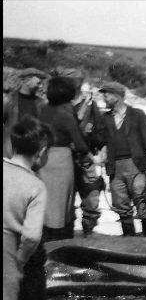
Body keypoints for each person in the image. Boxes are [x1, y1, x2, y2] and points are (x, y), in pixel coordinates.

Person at [3, 117, 50, 300]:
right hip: (9, 247)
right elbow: (32, 236)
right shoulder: (35, 186)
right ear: (41, 152)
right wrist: (20, 260)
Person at [99, 81, 146, 237]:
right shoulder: (104, 118)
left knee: (142, 201)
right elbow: (98, 139)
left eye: (106, 95)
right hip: (115, 167)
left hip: (136, 165)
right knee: (120, 204)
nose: (104, 98)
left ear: (116, 96)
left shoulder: (138, 115)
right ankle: (129, 240)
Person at [53, 67, 106, 237]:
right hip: (62, 158)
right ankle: (64, 235)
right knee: (62, 200)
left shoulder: (89, 104)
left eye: (77, 82)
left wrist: (102, 152)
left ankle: (88, 233)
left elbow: (99, 130)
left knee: (91, 199)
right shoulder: (56, 103)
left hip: (86, 158)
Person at [38, 76, 91, 241]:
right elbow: (80, 144)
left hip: (43, 156)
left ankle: (43, 235)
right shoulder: (66, 115)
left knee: (45, 201)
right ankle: (58, 238)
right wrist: (88, 154)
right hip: (61, 158)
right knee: (61, 203)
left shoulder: (42, 110)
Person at [3, 67, 49, 158]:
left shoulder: (41, 103)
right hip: (9, 147)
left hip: (29, 149)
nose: (40, 86)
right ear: (28, 81)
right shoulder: (9, 99)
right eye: (38, 83)